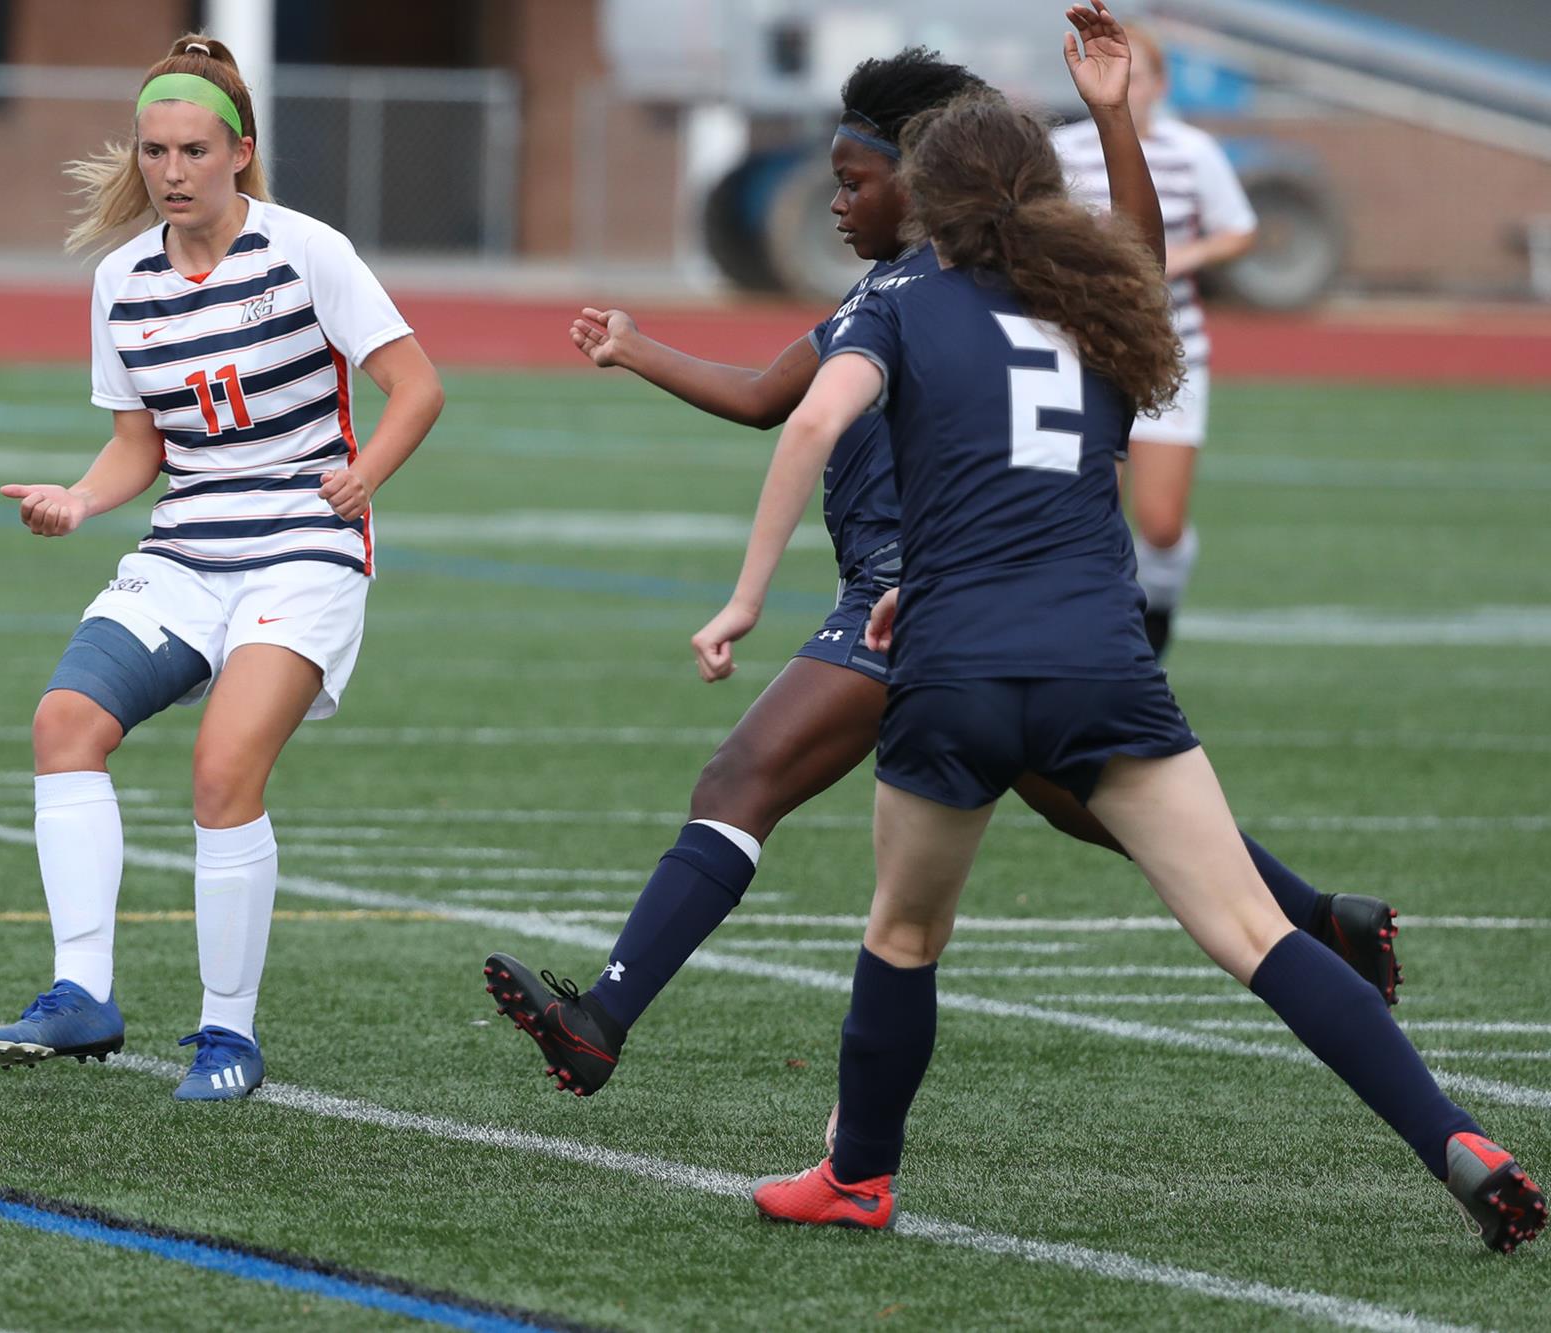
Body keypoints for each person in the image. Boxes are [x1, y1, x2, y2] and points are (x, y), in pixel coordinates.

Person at [692, 72, 1540, 1248]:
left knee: (902, 936)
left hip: (953, 667)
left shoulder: (896, 302)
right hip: (1101, 659)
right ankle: (1449, 1130)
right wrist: (1113, 116)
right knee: (1258, 933)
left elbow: (811, 423)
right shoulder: (1098, 308)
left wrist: (743, 597)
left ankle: (857, 1175)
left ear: (932, 200)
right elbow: (1132, 256)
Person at [482, 12, 1393, 1106]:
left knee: (742, 779)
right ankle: (1316, 918)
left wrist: (743, 596)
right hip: (996, 608)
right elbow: (770, 397)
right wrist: (635, 349)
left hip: (918, 595)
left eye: (853, 179)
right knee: (1092, 799)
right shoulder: (899, 289)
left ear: (918, 184)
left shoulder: (934, 292)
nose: (834, 199)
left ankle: (601, 1020)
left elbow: (1117, 276)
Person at [0, 34, 444, 1102]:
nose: (170, 171)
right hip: (185, 551)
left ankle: (226, 1038)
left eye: (191, 149)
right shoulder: (120, 281)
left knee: (223, 772)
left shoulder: (307, 250)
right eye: (153, 151)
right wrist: (81, 499)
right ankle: (79, 994)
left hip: (303, 551)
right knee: (64, 723)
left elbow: (416, 387)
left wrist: (364, 473)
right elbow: (141, 442)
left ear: (239, 151)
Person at [1052, 24, 1256, 656]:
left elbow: (1238, 229)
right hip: (1081, 352)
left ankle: (1159, 606)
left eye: (1140, 76)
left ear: (1162, 86)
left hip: (1173, 349)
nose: (1129, 89)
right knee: (1091, 514)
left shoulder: (1193, 151)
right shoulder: (1062, 151)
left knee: (1160, 523)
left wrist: (1178, 256)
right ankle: (1098, 640)